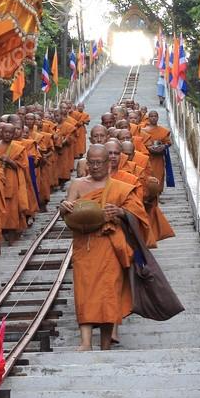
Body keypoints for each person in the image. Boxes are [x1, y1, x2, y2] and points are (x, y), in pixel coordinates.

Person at [60, 145, 140, 352]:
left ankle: (105, 344)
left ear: (108, 163)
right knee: (84, 291)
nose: (95, 167)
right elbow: (68, 212)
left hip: (110, 245)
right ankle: (85, 342)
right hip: (85, 245)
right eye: (91, 162)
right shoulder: (77, 184)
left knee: (108, 293)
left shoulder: (120, 187)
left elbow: (138, 216)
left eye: (99, 163)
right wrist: (63, 208)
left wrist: (120, 212)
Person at [143, 109, 172, 192]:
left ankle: (157, 194)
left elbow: (168, 142)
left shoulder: (163, 131)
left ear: (158, 117)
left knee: (159, 175)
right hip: (147, 157)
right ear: (148, 118)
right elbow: (140, 143)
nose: (153, 118)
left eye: (155, 116)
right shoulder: (143, 130)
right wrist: (148, 148)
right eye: (151, 116)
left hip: (158, 159)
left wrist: (163, 146)